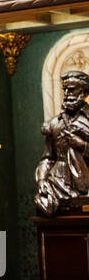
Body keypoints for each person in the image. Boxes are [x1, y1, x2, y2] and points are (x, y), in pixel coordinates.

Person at [35, 68, 89, 215]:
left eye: (71, 90)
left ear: (83, 92)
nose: (67, 95)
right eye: (65, 90)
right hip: (57, 183)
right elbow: (47, 158)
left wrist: (82, 145)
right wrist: (41, 180)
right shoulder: (54, 124)